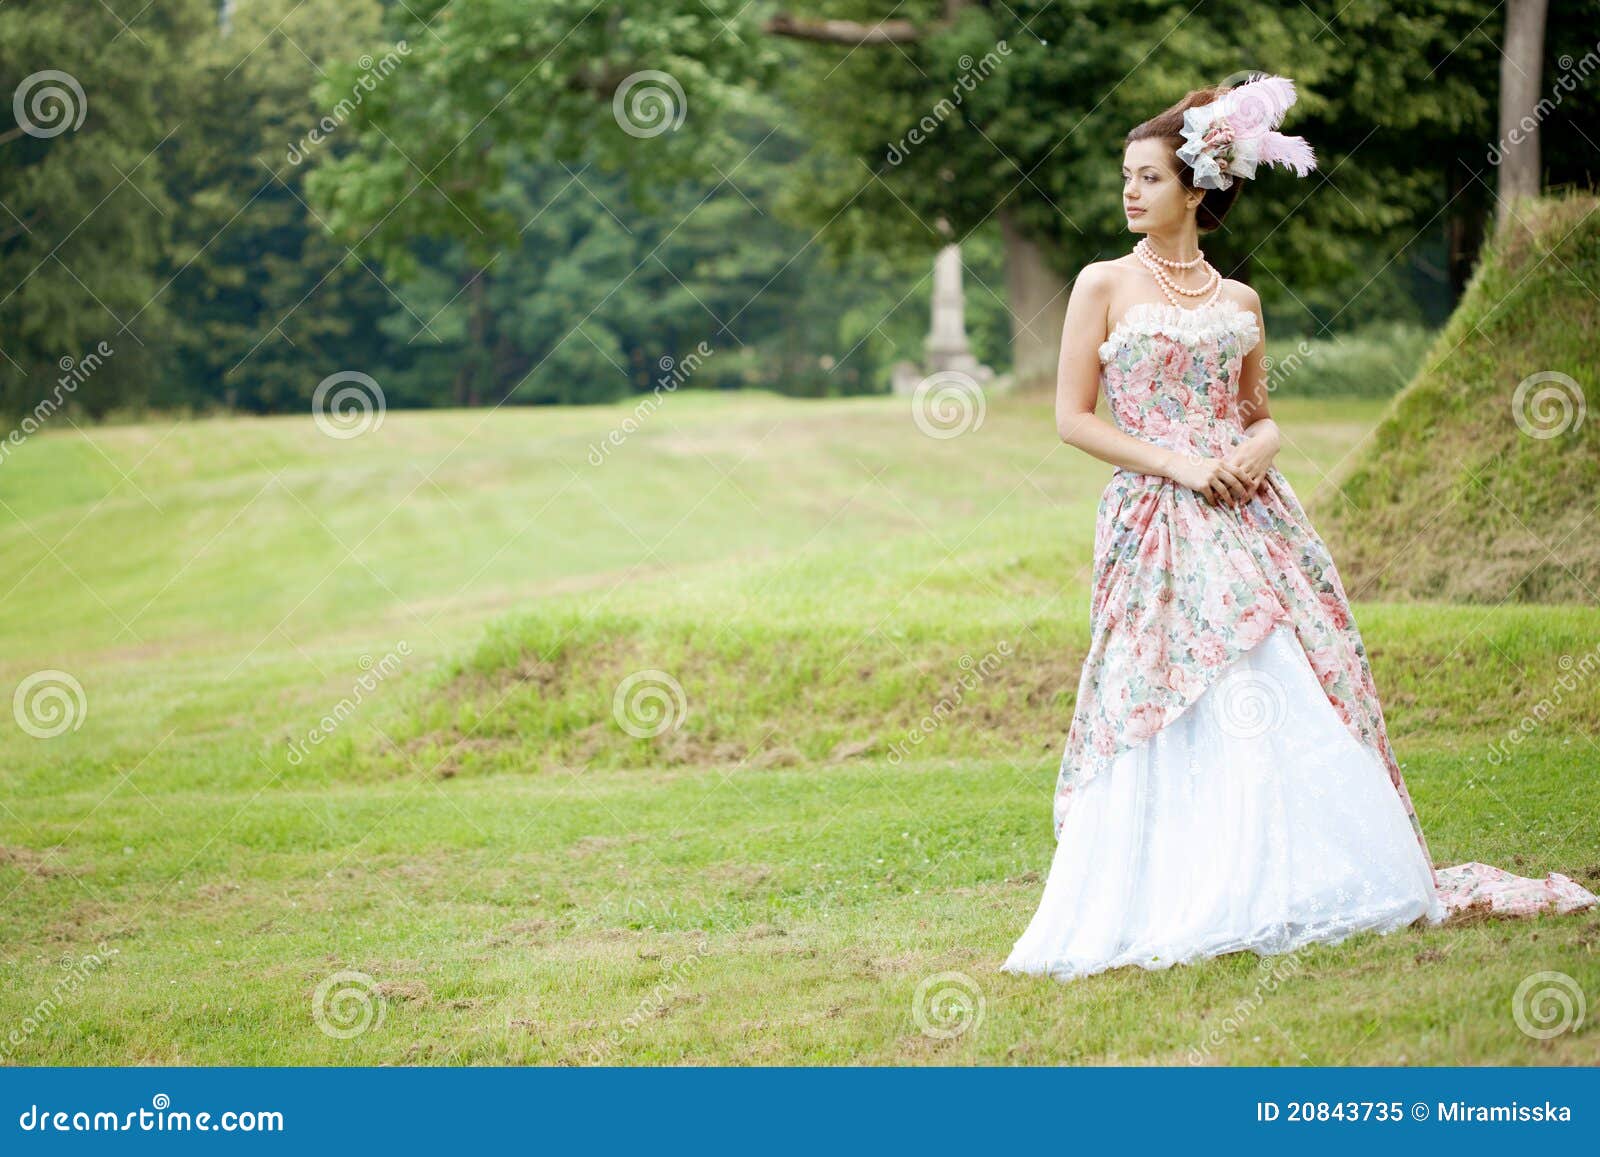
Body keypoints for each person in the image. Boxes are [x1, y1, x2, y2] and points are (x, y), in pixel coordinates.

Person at [1002, 75, 1597, 983]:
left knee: (1274, 665)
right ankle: (1172, 884)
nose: (1128, 192)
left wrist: (1255, 450)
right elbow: (1074, 419)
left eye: (1148, 177)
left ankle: (1284, 877)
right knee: (1161, 679)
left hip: (1248, 509)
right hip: (1156, 511)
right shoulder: (1102, 283)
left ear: (1197, 190)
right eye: (1125, 176)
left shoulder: (1238, 301)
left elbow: (1259, 413)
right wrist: (1183, 464)